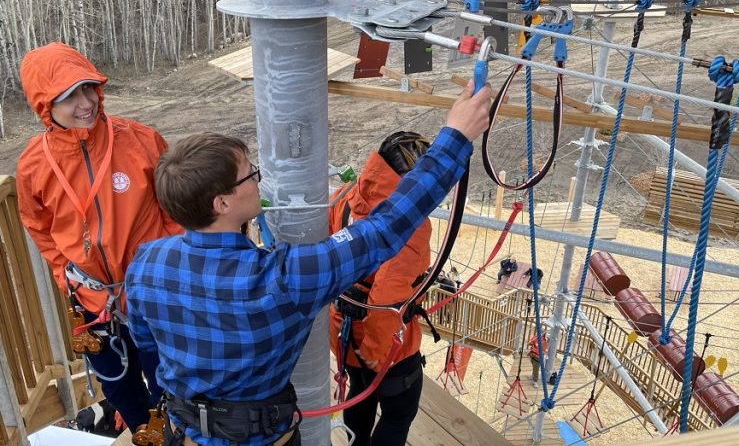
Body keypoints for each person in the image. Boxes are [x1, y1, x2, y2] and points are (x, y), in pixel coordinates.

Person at [125, 80, 492, 446]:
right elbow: (385, 229)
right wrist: (455, 138)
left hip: (184, 433)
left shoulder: (146, 264)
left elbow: (148, 345)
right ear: (221, 204)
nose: (259, 178)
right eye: (250, 175)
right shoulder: (284, 278)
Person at [15, 42, 183, 432]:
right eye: (70, 96)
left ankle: (176, 435)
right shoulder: (33, 165)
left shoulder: (141, 141)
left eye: (88, 88)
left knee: (168, 383)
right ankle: (146, 435)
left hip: (151, 293)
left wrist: (170, 268)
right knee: (120, 387)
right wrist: (63, 273)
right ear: (45, 105)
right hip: (91, 301)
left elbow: (175, 211)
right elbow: (38, 224)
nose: (86, 102)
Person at [328, 131, 432, 446]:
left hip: (344, 331)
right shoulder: (408, 224)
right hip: (385, 345)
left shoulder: (347, 196)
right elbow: (387, 300)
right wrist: (377, 357)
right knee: (398, 414)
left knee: (359, 395)